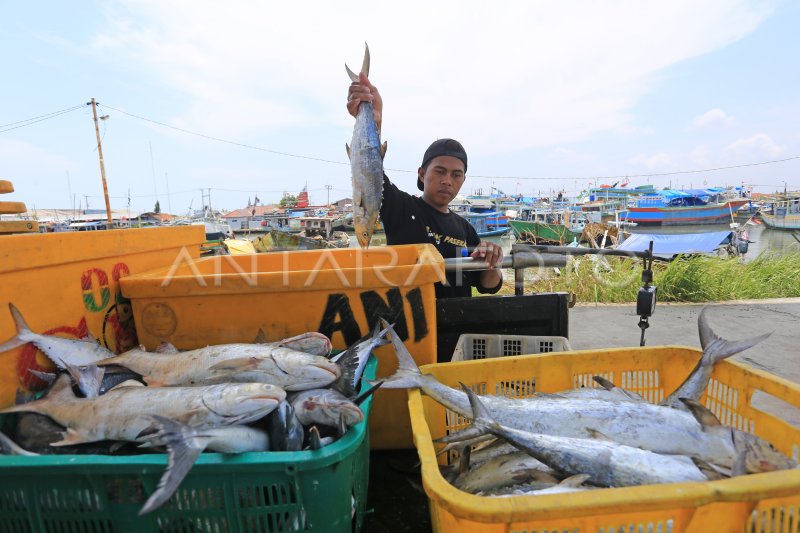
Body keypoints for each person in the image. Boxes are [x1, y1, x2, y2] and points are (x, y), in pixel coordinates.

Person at [347, 73, 503, 299]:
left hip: (457, 327)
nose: (447, 180)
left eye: (456, 175)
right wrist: (374, 119)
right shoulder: (400, 207)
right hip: (411, 328)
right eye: (439, 171)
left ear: (463, 181)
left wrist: (493, 260)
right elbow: (369, 174)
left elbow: (487, 285)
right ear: (422, 174)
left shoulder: (465, 229)